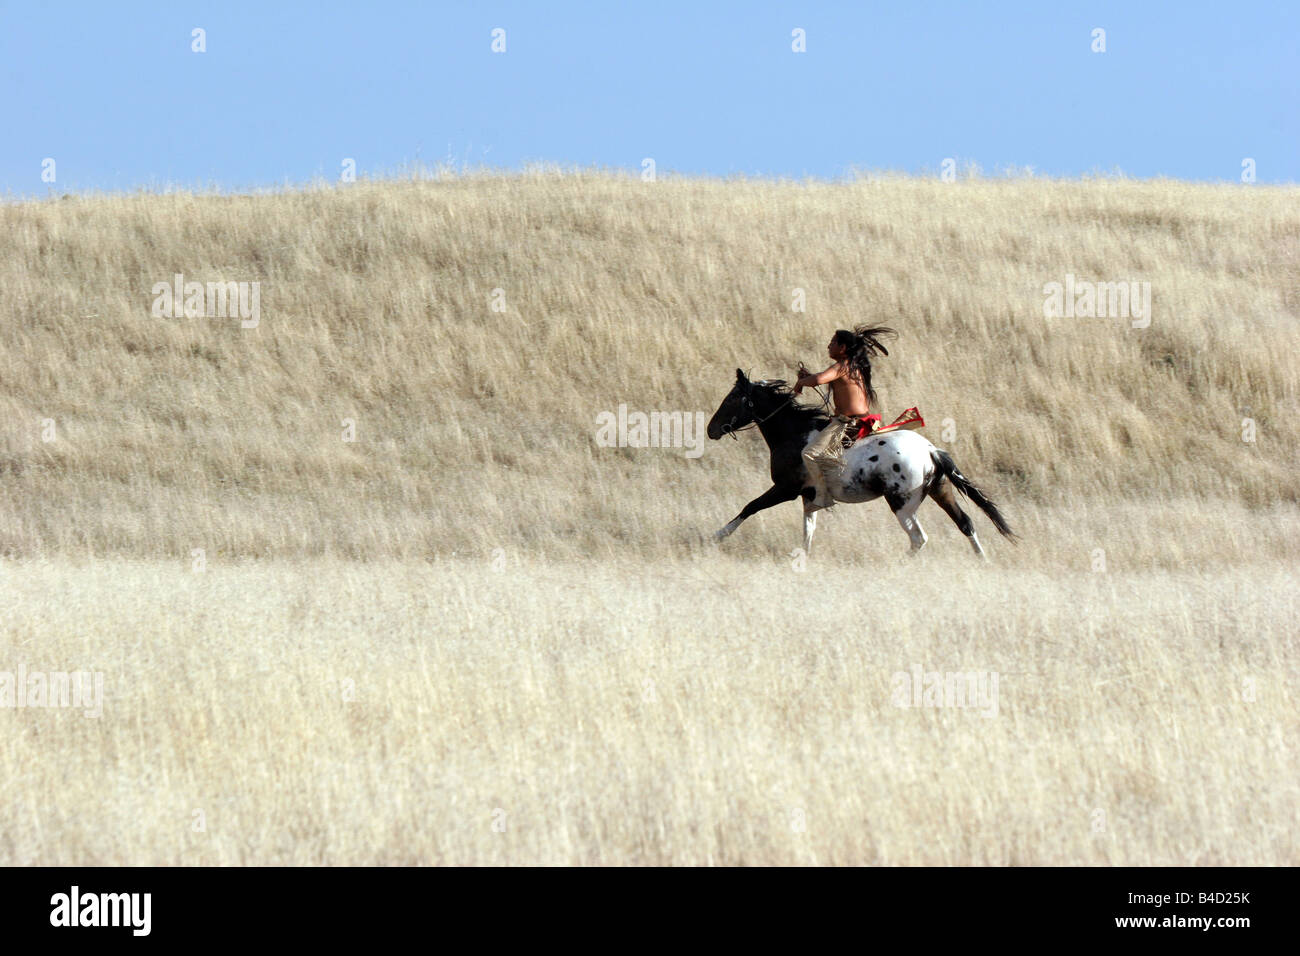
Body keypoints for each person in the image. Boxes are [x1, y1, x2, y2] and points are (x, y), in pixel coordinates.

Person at [793, 325, 896, 508]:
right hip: (866, 419)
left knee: (809, 453)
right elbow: (822, 378)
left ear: (842, 348)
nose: (828, 346)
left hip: (847, 422)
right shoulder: (855, 366)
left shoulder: (841, 366)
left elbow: (818, 380)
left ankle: (823, 496)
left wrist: (801, 382)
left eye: (832, 342)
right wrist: (808, 377)